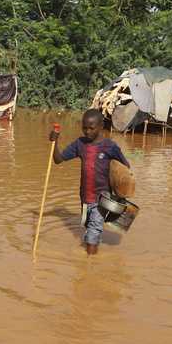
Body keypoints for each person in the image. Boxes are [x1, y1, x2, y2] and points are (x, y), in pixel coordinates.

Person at [50, 109, 130, 254]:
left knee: (92, 236)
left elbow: (125, 170)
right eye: (84, 128)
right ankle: (94, 253)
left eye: (91, 128)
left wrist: (120, 195)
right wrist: (54, 142)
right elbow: (58, 159)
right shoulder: (80, 144)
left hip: (102, 200)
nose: (87, 132)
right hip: (85, 198)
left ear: (101, 127)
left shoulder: (109, 146)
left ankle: (89, 266)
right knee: (89, 229)